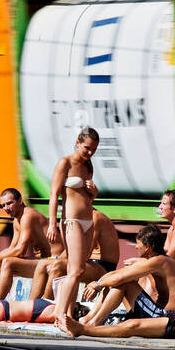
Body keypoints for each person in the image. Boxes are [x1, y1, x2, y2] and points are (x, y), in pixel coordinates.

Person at [74, 224, 175, 328]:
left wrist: (98, 284)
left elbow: (119, 278)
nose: (135, 247)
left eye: (138, 244)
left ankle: (94, 322)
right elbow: (117, 274)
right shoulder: (152, 261)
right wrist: (99, 282)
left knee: (123, 282)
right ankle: (89, 318)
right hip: (156, 312)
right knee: (116, 281)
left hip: (166, 317)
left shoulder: (160, 262)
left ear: (147, 247)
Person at [49, 127, 99, 321]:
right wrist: (52, 223)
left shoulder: (89, 166)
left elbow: (89, 198)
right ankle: (59, 314)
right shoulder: (65, 163)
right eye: (87, 148)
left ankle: (69, 313)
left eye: (94, 149)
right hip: (72, 221)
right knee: (76, 269)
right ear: (78, 142)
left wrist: (94, 192)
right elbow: (54, 195)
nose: (90, 152)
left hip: (88, 220)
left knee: (76, 271)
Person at [0, 188, 52, 302]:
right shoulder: (17, 220)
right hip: (41, 262)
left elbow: (20, 251)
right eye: (3, 205)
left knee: (8, 262)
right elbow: (12, 248)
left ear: (20, 201)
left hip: (55, 261)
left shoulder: (28, 216)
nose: (6, 208)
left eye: (9, 203)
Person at [32, 209, 119, 300]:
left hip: (103, 268)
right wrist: (57, 260)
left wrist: (59, 262)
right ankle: (31, 306)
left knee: (58, 266)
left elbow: (85, 253)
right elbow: (71, 250)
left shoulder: (95, 217)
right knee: (43, 263)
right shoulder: (78, 219)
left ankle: (46, 306)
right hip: (87, 263)